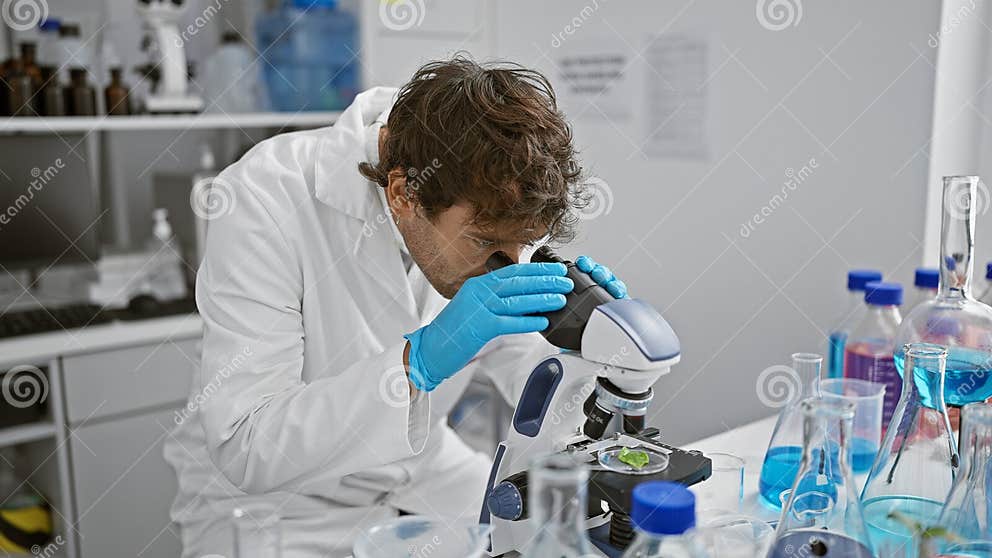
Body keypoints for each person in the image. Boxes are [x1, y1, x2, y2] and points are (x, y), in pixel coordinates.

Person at [163, 55, 628, 558]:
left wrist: (592, 356)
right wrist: (416, 363)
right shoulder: (264, 197)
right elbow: (246, 445)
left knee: (554, 540)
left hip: (421, 473)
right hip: (280, 509)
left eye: (525, 244)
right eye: (486, 242)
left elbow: (538, 386)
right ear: (404, 192)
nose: (508, 264)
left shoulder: (490, 200)